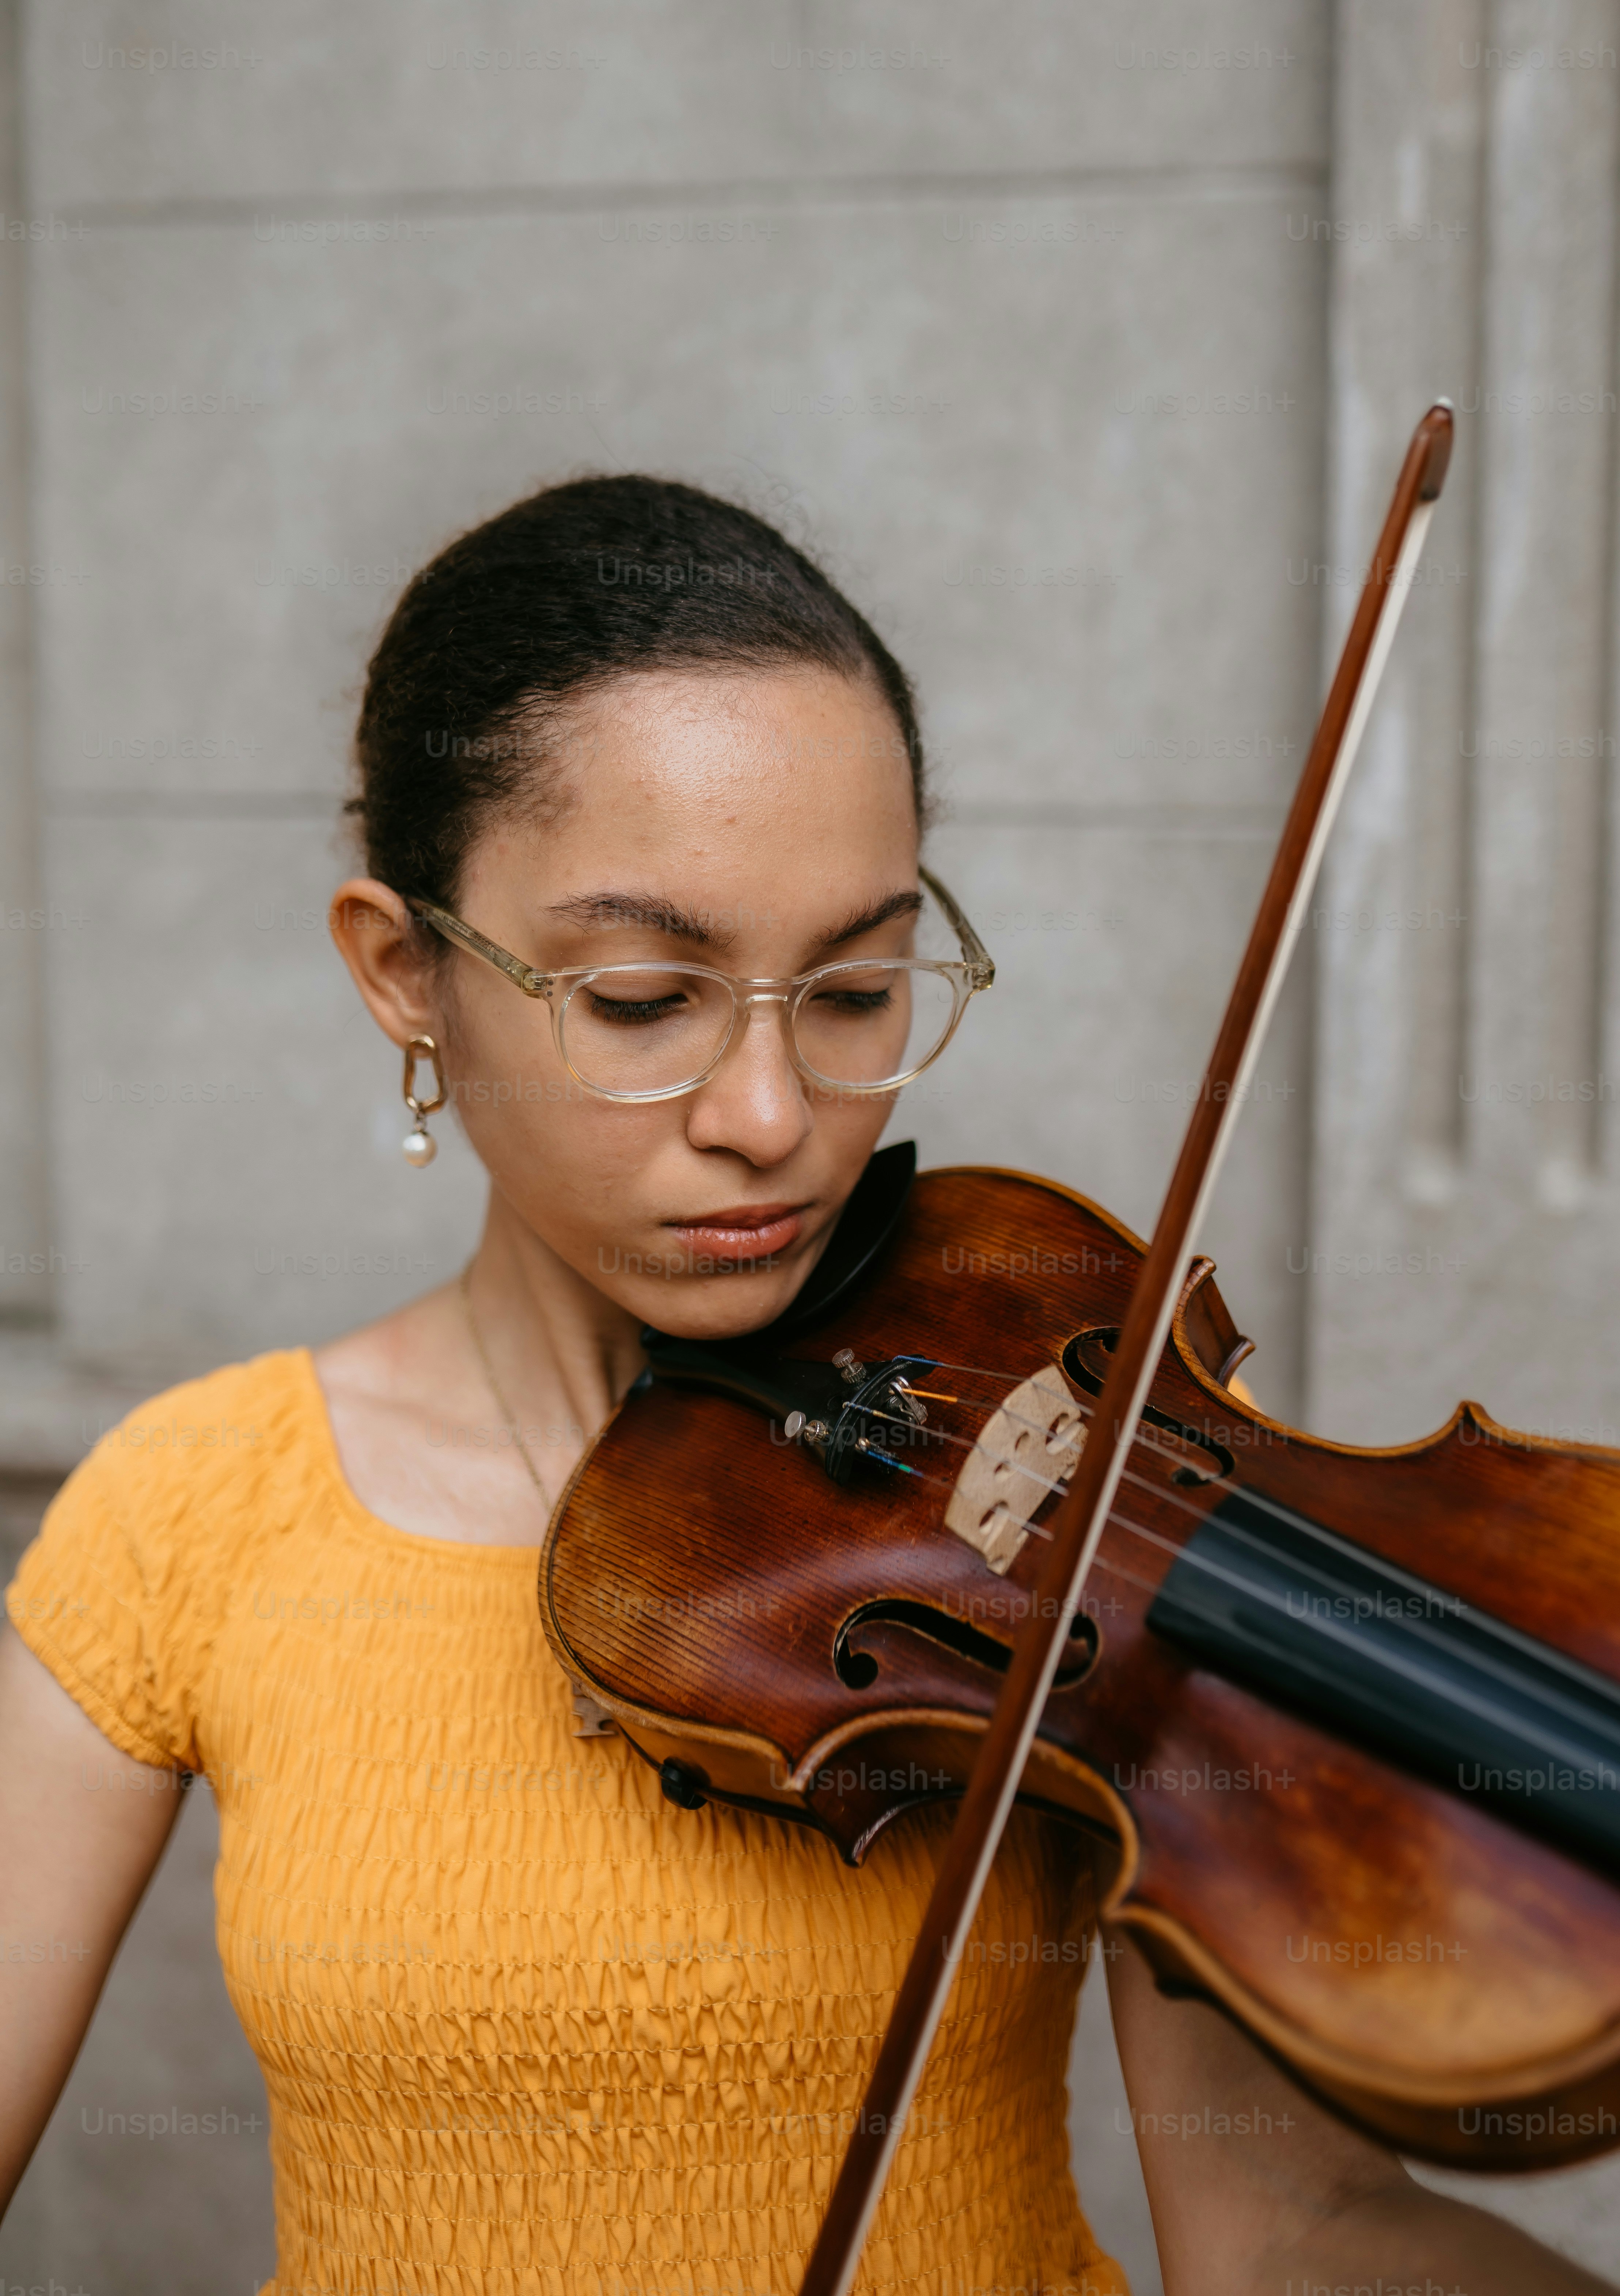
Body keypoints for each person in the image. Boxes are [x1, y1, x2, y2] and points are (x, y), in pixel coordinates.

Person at [0, 477, 1608, 2296]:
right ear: (403, 971)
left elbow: (1289, 2232)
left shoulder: (1075, 1489)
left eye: (853, 987)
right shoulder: (191, 1511)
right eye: (641, 999)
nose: (771, 1118)